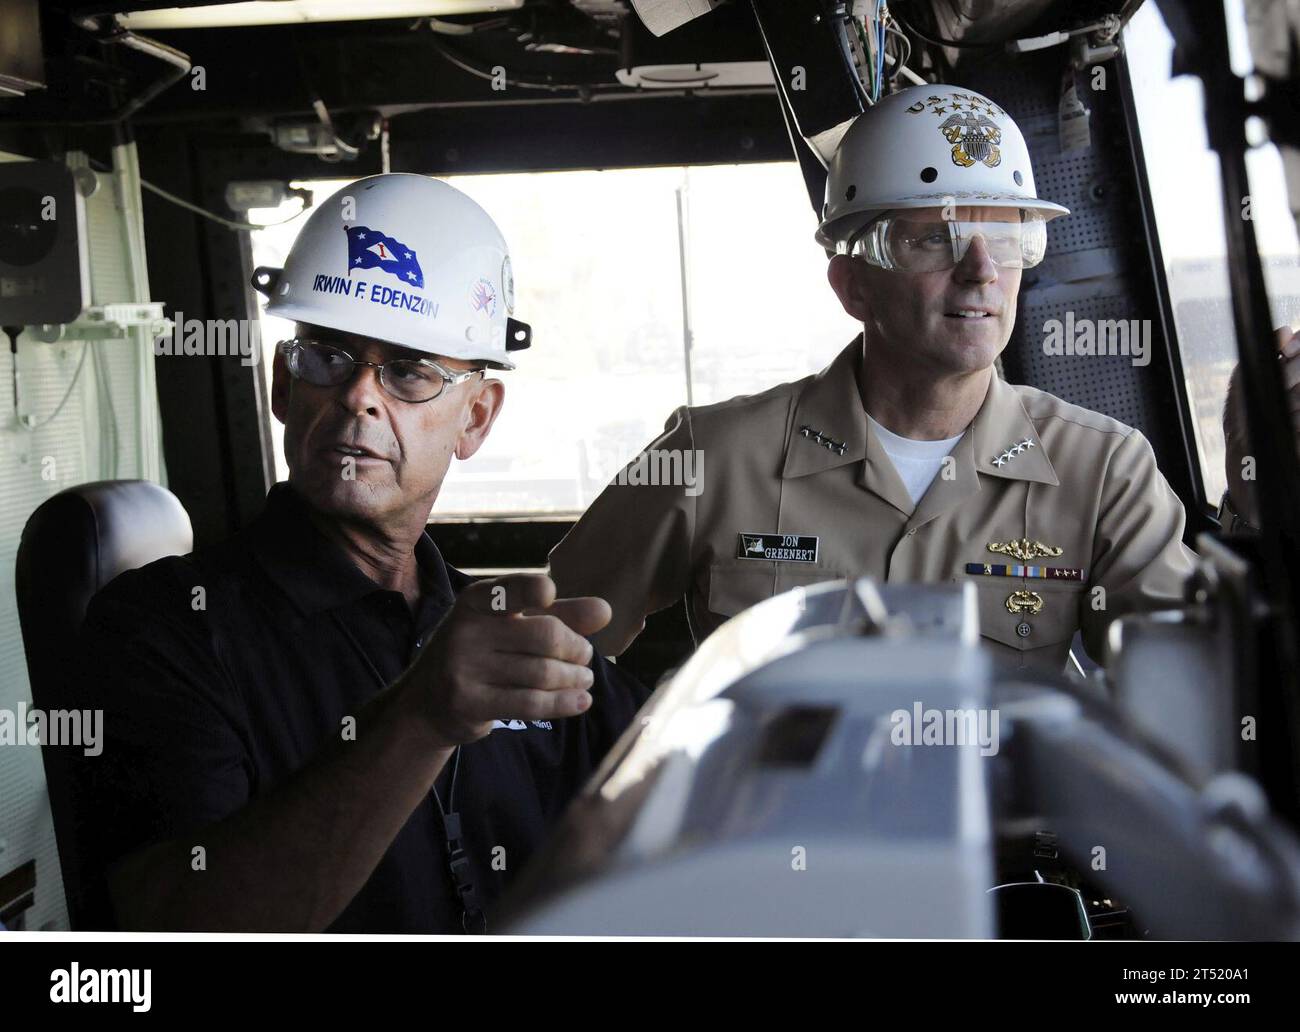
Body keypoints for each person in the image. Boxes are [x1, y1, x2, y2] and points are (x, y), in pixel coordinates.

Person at [549, 84, 1300, 674]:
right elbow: (546, 658)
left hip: (1005, 868)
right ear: (854, 287)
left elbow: (1203, 695)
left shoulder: (1102, 469)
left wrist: (1259, 507)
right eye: (932, 238)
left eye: (1007, 237)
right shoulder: (712, 456)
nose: (982, 270)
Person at [71, 173, 649, 933]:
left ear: (475, 418)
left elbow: (676, 810)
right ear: (284, 383)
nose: (359, 398)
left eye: (408, 372)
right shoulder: (164, 631)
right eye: (329, 358)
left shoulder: (508, 636)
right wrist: (421, 718)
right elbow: (179, 923)